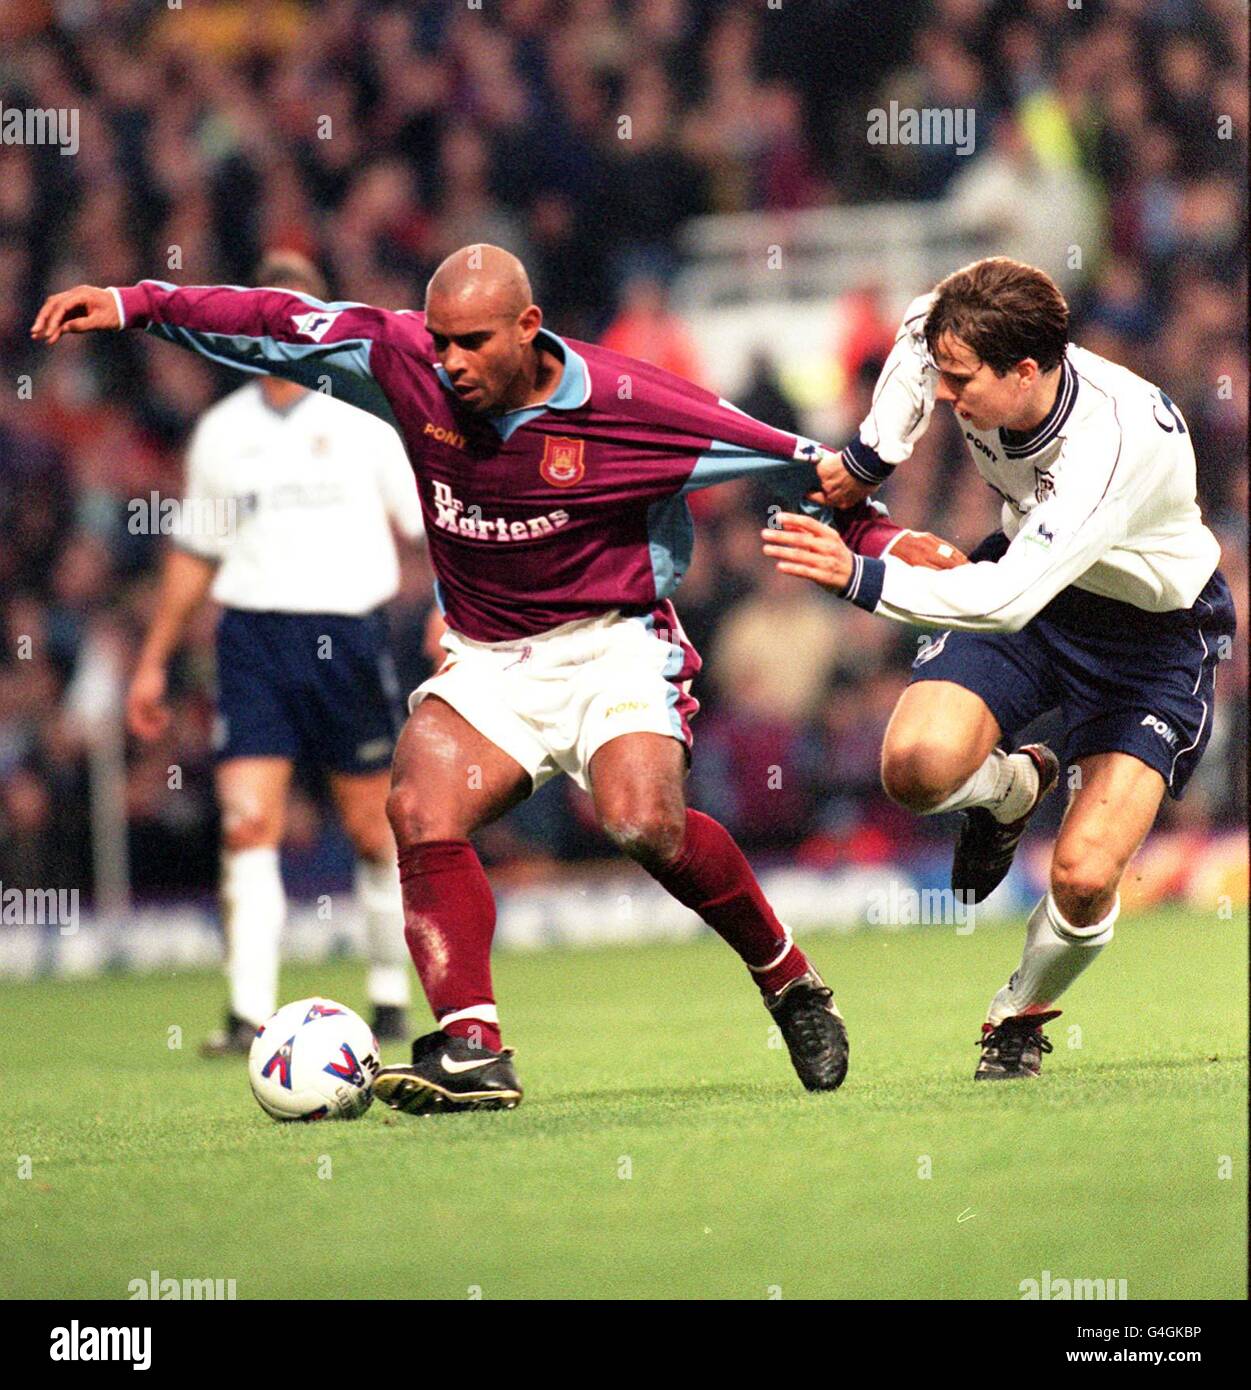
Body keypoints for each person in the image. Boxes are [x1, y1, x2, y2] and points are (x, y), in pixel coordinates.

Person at [32, 243, 964, 1110]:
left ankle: (788, 978)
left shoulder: (637, 405)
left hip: (613, 645)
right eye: (438, 340)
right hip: (487, 659)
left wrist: (891, 546)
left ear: (529, 328)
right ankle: (473, 1045)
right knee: (416, 808)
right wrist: (133, 302)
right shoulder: (400, 361)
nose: (449, 362)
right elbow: (276, 319)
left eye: (471, 342)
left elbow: (806, 470)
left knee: (641, 821)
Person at [761, 256, 1235, 1080]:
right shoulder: (960, 349)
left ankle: (1017, 1011)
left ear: (1025, 370)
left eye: (961, 381)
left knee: (1084, 875)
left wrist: (856, 576)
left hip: (1145, 643)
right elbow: (915, 336)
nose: (947, 397)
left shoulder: (1112, 445)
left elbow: (1008, 599)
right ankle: (1011, 789)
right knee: (913, 768)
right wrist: (873, 456)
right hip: (1037, 594)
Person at [123, 251, 424, 1053]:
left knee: (371, 828)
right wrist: (153, 658)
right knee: (248, 823)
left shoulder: (365, 415)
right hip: (253, 637)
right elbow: (195, 551)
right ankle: (247, 1011)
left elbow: (422, 522)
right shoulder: (223, 433)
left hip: (350, 634)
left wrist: (453, 614)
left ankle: (390, 995)